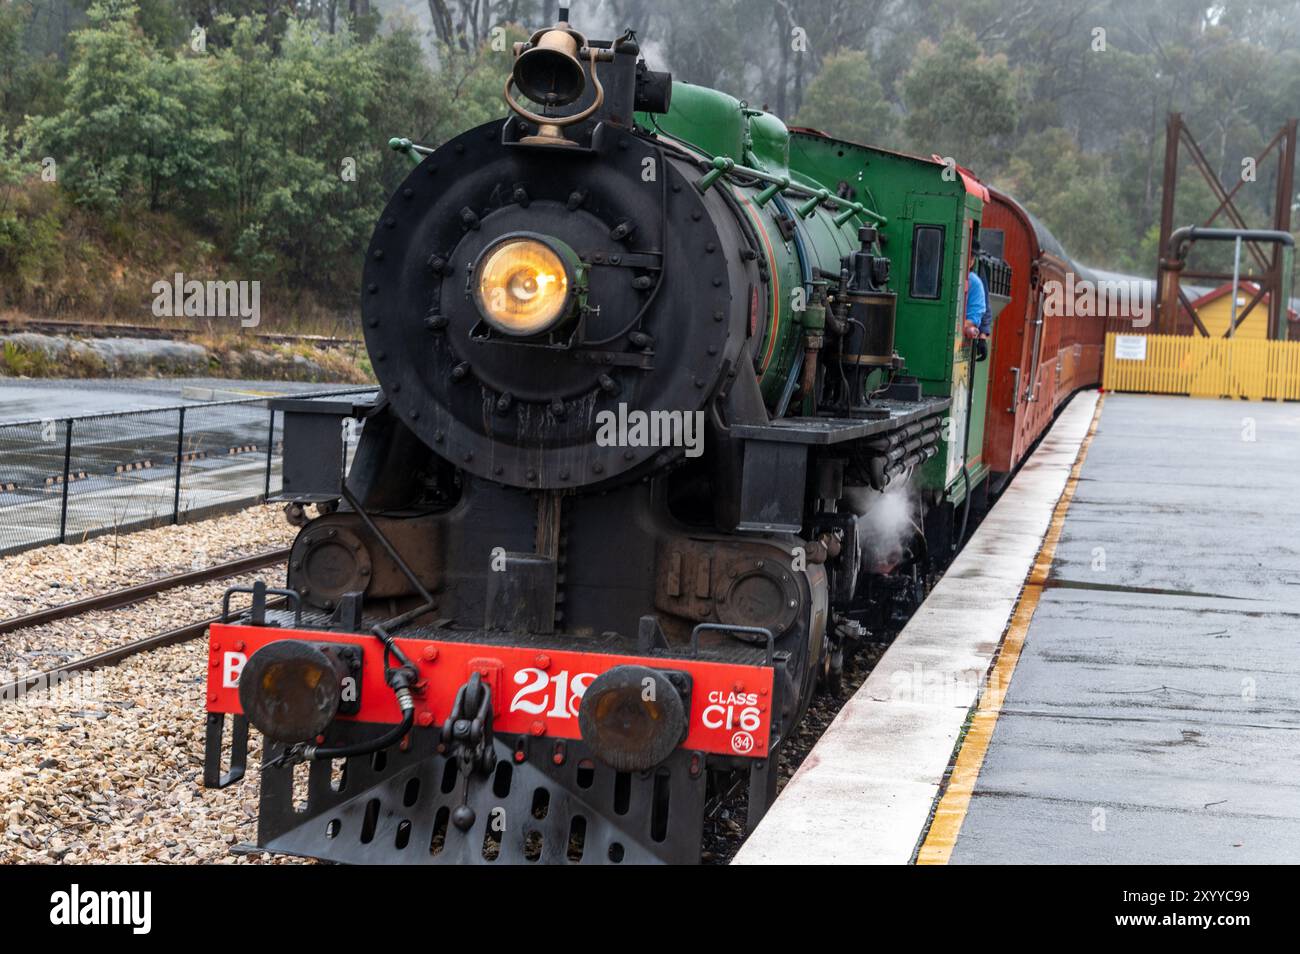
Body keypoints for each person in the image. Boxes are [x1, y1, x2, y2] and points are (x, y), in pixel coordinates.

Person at [964, 243, 992, 360]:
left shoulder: (975, 280)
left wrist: (983, 334)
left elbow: (983, 303)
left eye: (973, 258)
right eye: (969, 257)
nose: (970, 261)